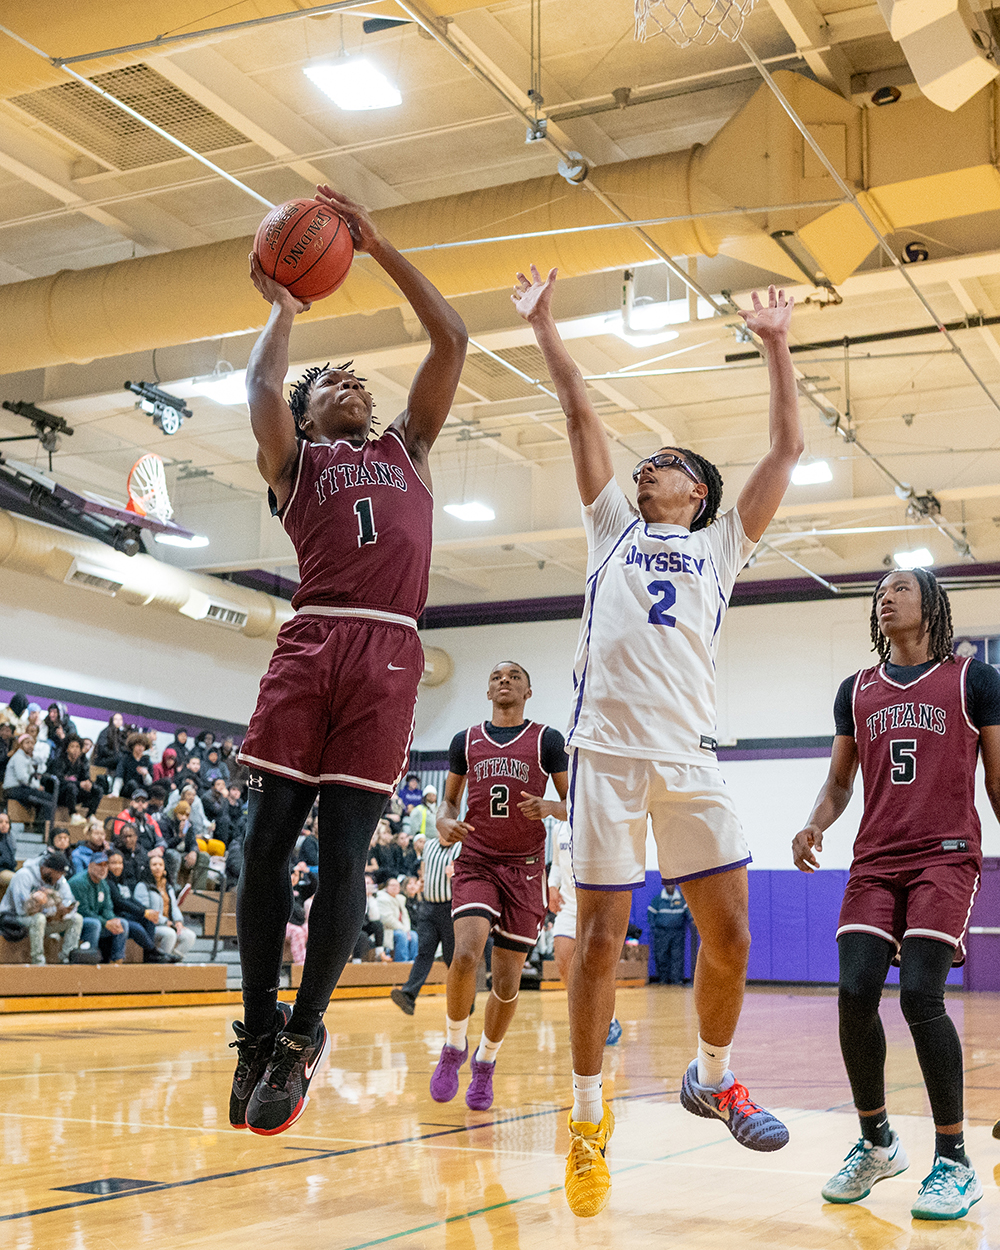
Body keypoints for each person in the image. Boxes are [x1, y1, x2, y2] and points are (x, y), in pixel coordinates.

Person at [515, 267, 801, 1216]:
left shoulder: (722, 547)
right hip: (604, 754)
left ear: (700, 492)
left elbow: (789, 448)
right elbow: (574, 407)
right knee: (596, 942)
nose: (650, 466)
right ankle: (587, 1118)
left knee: (733, 936)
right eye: (647, 461)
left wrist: (775, 346)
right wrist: (548, 326)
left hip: (690, 758)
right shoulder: (608, 528)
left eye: (670, 461)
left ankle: (711, 1076)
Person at [229, 181, 467, 1137]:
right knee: (262, 845)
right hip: (313, 634)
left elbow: (450, 340)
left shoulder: (408, 448)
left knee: (344, 856)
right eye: (332, 381)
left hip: (389, 653)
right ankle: (255, 1033)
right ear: (308, 407)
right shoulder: (296, 464)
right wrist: (285, 310)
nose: (353, 385)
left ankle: (303, 1035)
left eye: (359, 380)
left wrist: (378, 245)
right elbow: (258, 391)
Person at [792, 568, 997, 1220]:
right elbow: (838, 784)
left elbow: (998, 779)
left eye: (900, 588)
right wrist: (813, 822)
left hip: (945, 858)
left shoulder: (974, 680)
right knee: (854, 993)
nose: (886, 597)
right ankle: (877, 1142)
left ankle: (953, 1160)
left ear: (932, 604)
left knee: (919, 995)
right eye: (879, 592)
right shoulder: (857, 691)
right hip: (875, 861)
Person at [430, 660, 569, 1112]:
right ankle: (453, 1046)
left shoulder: (547, 740)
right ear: (488, 691)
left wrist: (549, 805)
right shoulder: (465, 740)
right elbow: (449, 800)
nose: (503, 680)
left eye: (513, 676)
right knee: (467, 953)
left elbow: (577, 803)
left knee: (507, 984)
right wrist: (443, 821)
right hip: (477, 862)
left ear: (529, 691)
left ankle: (485, 1060)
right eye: (495, 676)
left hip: (527, 871)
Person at [548, 820, 622, 1045]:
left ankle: (609, 1020)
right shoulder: (558, 827)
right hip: (569, 905)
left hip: (597, 902)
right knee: (563, 959)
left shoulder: (595, 817)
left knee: (598, 965)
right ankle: (584, 1017)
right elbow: (557, 865)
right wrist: (552, 886)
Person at [390, 824, 459, 1014]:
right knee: (424, 952)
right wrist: (423, 884)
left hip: (449, 909)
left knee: (450, 957)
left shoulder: (460, 847)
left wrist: (456, 875)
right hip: (428, 907)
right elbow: (423, 870)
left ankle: (465, 998)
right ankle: (409, 996)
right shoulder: (429, 846)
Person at [0, 851, 82, 964]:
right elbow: (22, 910)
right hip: (13, 919)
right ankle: (38, 961)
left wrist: (63, 909)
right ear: (45, 868)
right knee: (39, 919)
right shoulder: (24, 875)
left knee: (76, 919)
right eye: (57, 873)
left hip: (44, 919)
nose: (59, 877)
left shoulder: (59, 880)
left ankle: (66, 958)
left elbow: (69, 900)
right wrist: (47, 907)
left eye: (61, 874)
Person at [134, 852, 196, 962]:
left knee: (189, 936)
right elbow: (145, 909)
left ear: (164, 868)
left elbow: (174, 907)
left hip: (169, 924)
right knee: (170, 934)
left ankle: (173, 961)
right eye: (154, 865)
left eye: (160, 865)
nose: (157, 867)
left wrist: (178, 921)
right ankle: (160, 962)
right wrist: (166, 922)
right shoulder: (142, 886)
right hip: (152, 926)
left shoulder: (168, 887)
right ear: (148, 868)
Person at [105, 848, 164, 962]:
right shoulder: (108, 882)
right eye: (113, 863)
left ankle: (148, 957)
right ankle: (153, 951)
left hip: (126, 915)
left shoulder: (122, 881)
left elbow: (130, 899)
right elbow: (119, 902)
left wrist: (146, 911)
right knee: (137, 928)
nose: (118, 866)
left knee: (149, 920)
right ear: (106, 864)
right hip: (116, 916)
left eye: (120, 863)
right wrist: (143, 912)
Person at [69, 853, 128, 964]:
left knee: (122, 924)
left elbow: (107, 908)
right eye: (99, 865)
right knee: (94, 924)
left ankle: (117, 961)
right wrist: (105, 923)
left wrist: (112, 920)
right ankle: (91, 960)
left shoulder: (103, 884)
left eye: (105, 865)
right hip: (76, 922)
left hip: (97, 920)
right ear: (90, 866)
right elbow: (83, 911)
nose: (103, 868)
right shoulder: (79, 883)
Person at [3, 733, 57, 826]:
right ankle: (44, 828)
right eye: (27, 743)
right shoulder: (19, 757)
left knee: (45, 798)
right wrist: (37, 786)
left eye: (32, 743)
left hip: (22, 789)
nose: (30, 745)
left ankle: (39, 826)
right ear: (21, 744)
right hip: (13, 789)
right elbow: (22, 777)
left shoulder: (27, 758)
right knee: (47, 799)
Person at [647, 882, 691, 985]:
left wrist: (693, 921)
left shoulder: (681, 898)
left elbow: (688, 912)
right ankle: (663, 980)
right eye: (668, 885)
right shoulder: (658, 899)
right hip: (661, 933)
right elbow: (651, 914)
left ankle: (676, 981)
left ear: (675, 886)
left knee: (677, 957)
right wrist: (654, 927)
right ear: (664, 885)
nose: (670, 887)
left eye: (672, 884)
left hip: (677, 933)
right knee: (661, 956)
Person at [50, 737, 101, 818]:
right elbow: (59, 781)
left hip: (74, 793)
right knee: (71, 787)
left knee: (97, 790)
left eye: (77, 747)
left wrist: (88, 783)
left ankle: (90, 816)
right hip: (60, 793)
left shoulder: (82, 763)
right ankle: (73, 814)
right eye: (72, 746)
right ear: (67, 749)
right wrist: (79, 784)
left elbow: (85, 778)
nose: (75, 749)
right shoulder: (59, 761)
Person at [376, 876, 418, 960]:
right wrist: (404, 930)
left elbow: (406, 917)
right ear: (386, 887)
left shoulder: (401, 899)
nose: (395, 888)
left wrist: (407, 930)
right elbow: (388, 920)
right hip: (388, 930)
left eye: (397, 885)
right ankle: (402, 961)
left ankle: (413, 961)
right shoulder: (382, 899)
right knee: (402, 935)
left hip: (401, 929)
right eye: (392, 885)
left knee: (414, 935)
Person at [0, 810, 18, 901]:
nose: (4, 824)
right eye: (1, 822)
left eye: (7, 822)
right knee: (17, 879)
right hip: (1, 870)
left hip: (9, 869)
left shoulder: (10, 838)